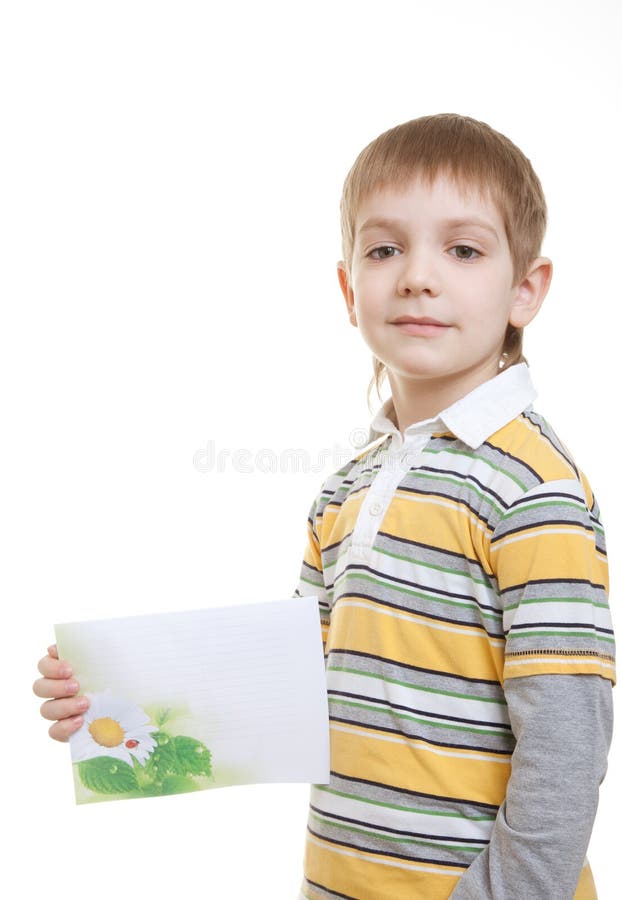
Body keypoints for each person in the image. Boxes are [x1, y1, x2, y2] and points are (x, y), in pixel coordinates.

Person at [34, 114, 615, 900]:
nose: (416, 276)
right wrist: (114, 705)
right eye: (384, 250)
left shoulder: (530, 485)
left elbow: (568, 743)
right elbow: (294, 691)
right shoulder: (343, 491)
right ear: (349, 290)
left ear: (525, 291)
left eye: (463, 249)